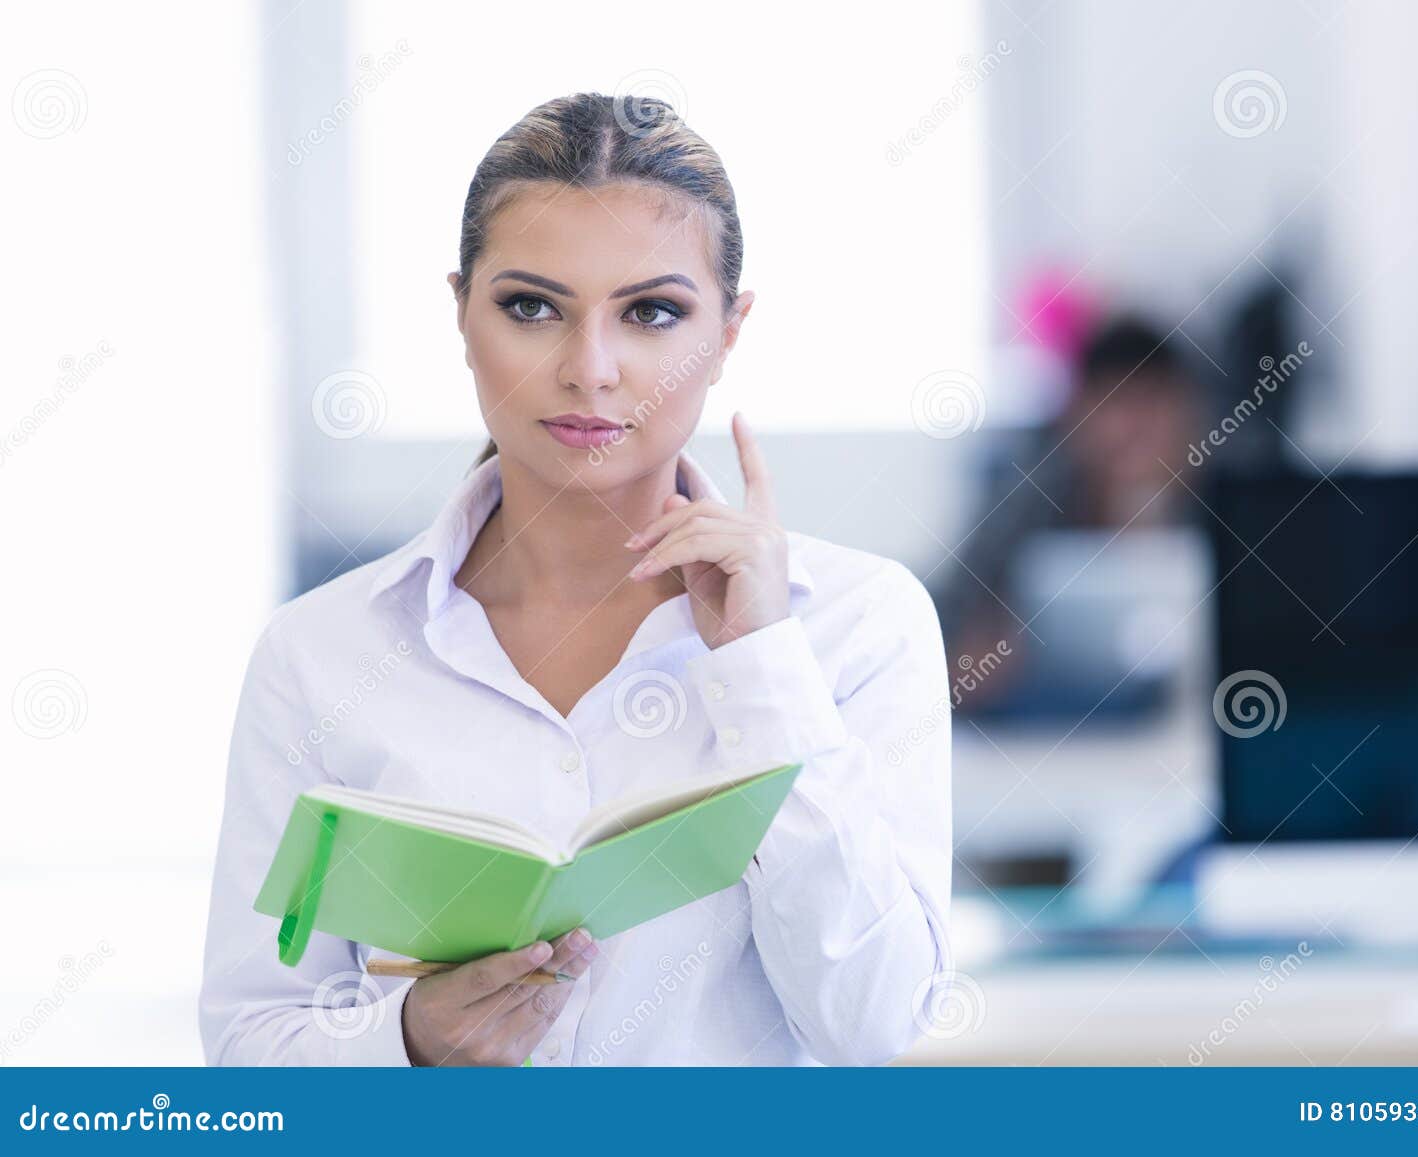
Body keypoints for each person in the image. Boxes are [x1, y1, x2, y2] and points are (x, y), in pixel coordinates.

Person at [198, 93, 953, 1066]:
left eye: (650, 312)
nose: (590, 368)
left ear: (729, 331)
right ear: (462, 314)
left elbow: (874, 1024)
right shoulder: (320, 652)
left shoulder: (855, 622)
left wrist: (764, 668)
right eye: (531, 306)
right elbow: (250, 1045)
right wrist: (409, 1039)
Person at [932, 314, 1200, 712]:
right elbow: (946, 633)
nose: (1136, 429)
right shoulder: (1027, 496)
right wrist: (974, 662)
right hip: (1037, 739)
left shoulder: (1221, 504)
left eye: (1154, 403)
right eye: (1118, 404)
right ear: (1078, 413)